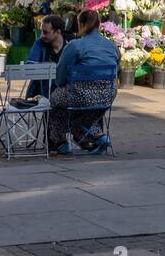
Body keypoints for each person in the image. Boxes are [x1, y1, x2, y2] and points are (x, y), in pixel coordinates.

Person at [48, 9, 119, 153]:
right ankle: (96, 136)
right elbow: (117, 69)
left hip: (81, 94)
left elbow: (60, 76)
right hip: (108, 94)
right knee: (82, 113)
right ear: (99, 24)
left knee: (55, 101)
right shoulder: (112, 46)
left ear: (80, 24)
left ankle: (60, 142)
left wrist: (61, 85)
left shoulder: (75, 45)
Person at [26, 14, 67, 98]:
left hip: (65, 91)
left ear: (58, 31)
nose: (42, 35)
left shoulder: (71, 43)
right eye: (41, 31)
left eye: (45, 32)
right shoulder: (39, 43)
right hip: (42, 92)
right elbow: (30, 64)